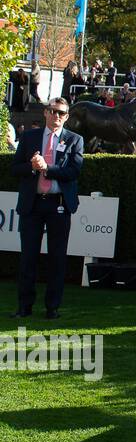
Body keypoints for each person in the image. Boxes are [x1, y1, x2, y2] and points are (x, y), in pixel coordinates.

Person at [10, 98, 83, 319]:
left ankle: (52, 308)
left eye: (61, 113)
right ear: (45, 113)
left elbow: (73, 172)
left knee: (57, 258)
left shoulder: (75, 140)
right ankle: (25, 307)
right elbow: (15, 168)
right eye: (53, 111)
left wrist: (47, 168)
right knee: (28, 258)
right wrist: (32, 167)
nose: (57, 116)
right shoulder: (30, 137)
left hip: (58, 205)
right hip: (32, 205)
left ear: (67, 116)